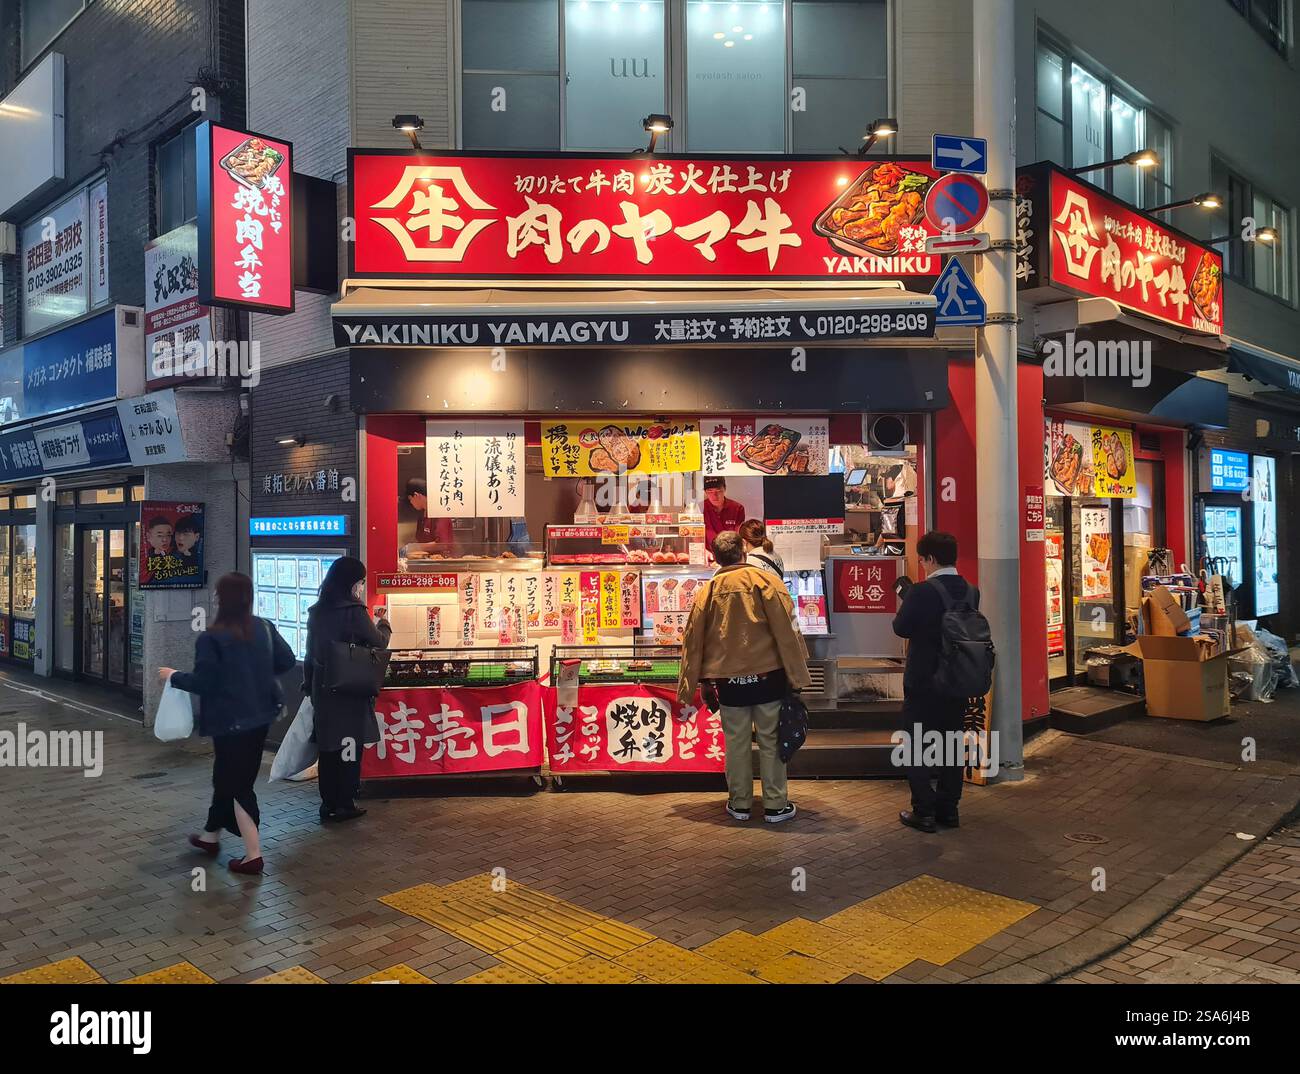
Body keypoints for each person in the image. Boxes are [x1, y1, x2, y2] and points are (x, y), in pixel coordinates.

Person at [159, 572, 297, 875]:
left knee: (237, 784)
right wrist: (256, 672)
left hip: (229, 722)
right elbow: (286, 661)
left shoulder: (211, 637)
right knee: (226, 776)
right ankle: (211, 835)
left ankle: (253, 854)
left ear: (221, 599)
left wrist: (173, 676)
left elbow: (205, 682)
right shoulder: (263, 627)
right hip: (260, 717)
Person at [678, 531, 810, 824]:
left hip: (728, 682)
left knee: (736, 743)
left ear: (715, 557)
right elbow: (788, 631)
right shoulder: (767, 582)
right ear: (743, 553)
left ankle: (739, 804)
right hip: (769, 678)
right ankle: (776, 805)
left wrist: (695, 682)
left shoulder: (707, 591)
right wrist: (797, 675)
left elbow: (693, 640)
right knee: (771, 741)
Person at [891, 531, 977, 834]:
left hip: (924, 681)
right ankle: (949, 810)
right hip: (958, 680)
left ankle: (923, 811)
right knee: (952, 745)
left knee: (916, 747)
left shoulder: (922, 591)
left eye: (922, 559)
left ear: (929, 559)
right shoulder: (970, 590)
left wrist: (908, 599)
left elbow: (901, 628)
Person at [304, 557, 391, 822]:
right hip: (348, 690)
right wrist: (383, 622)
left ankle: (328, 803)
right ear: (353, 583)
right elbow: (378, 642)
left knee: (329, 749)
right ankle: (344, 803)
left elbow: (309, 654)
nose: (362, 587)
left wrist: (308, 686)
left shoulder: (317, 610)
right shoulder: (353, 611)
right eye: (362, 582)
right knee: (349, 746)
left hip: (322, 688)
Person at [401, 477, 455, 557]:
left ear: (416, 495)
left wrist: (414, 547)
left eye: (410, 499)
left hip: (442, 562)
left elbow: (443, 544)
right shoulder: (422, 516)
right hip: (427, 561)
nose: (411, 503)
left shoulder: (439, 512)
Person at [702, 476, 745, 550]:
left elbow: (738, 535)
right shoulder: (700, 508)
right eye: (710, 491)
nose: (714, 495)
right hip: (708, 554)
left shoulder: (737, 508)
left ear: (724, 489)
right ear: (705, 492)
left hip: (731, 553)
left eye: (718, 491)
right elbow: (695, 534)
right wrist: (703, 551)